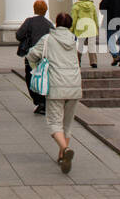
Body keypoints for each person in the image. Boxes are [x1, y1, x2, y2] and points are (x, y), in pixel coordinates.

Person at [26, 12, 83, 173]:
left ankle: (64, 150)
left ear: (56, 24)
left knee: (54, 123)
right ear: (70, 25)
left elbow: (31, 54)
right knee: (67, 124)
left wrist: (35, 67)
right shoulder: (74, 40)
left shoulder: (48, 39)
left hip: (56, 85)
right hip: (74, 84)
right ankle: (61, 156)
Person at [16, 0, 53, 114]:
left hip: (31, 54)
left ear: (34, 9)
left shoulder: (29, 21)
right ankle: (43, 101)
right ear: (45, 10)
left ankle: (38, 101)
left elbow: (19, 35)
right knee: (43, 77)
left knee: (30, 77)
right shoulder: (49, 23)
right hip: (45, 56)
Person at [70, 0, 99, 69]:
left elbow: (74, 19)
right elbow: (95, 18)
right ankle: (93, 62)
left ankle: (78, 61)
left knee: (80, 45)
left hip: (81, 27)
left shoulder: (76, 6)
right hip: (91, 26)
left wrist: (71, 29)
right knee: (91, 45)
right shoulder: (92, 5)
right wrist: (96, 27)